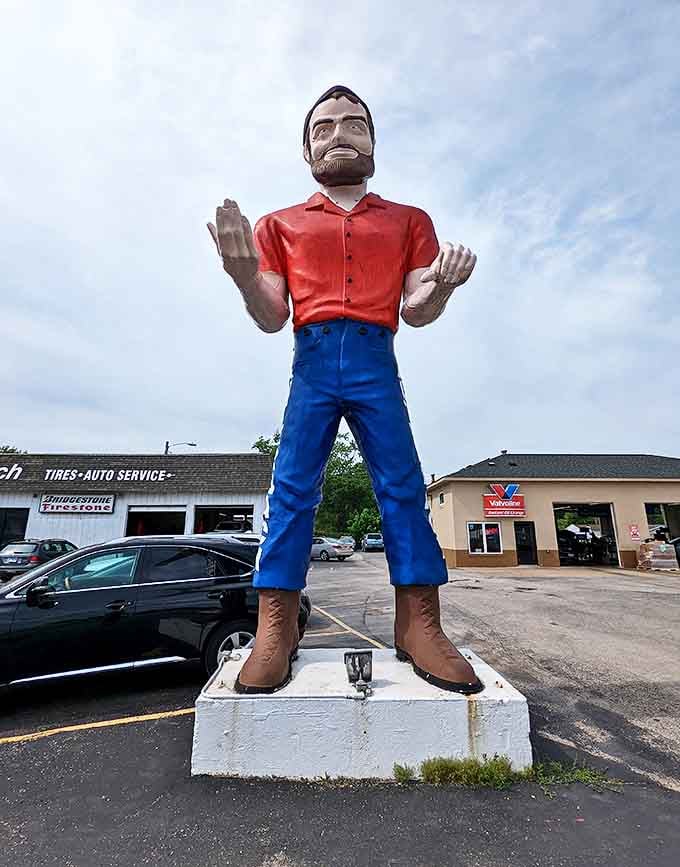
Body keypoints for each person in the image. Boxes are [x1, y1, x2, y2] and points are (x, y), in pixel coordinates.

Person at [208, 85, 482, 695]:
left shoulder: (410, 221)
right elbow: (272, 314)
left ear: (374, 141)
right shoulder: (278, 224)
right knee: (293, 486)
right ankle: (276, 625)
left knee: (403, 484)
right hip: (312, 359)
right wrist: (244, 274)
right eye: (324, 127)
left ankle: (419, 623)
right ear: (306, 148)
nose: (339, 134)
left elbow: (416, 307)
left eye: (354, 124)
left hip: (374, 359)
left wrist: (444, 286)